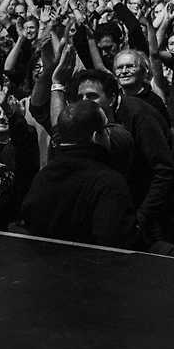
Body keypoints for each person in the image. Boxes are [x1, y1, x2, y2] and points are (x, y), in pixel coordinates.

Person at [21, 99, 137, 247]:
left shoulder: (43, 177)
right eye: (106, 128)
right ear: (96, 137)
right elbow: (114, 245)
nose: (110, 132)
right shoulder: (110, 183)